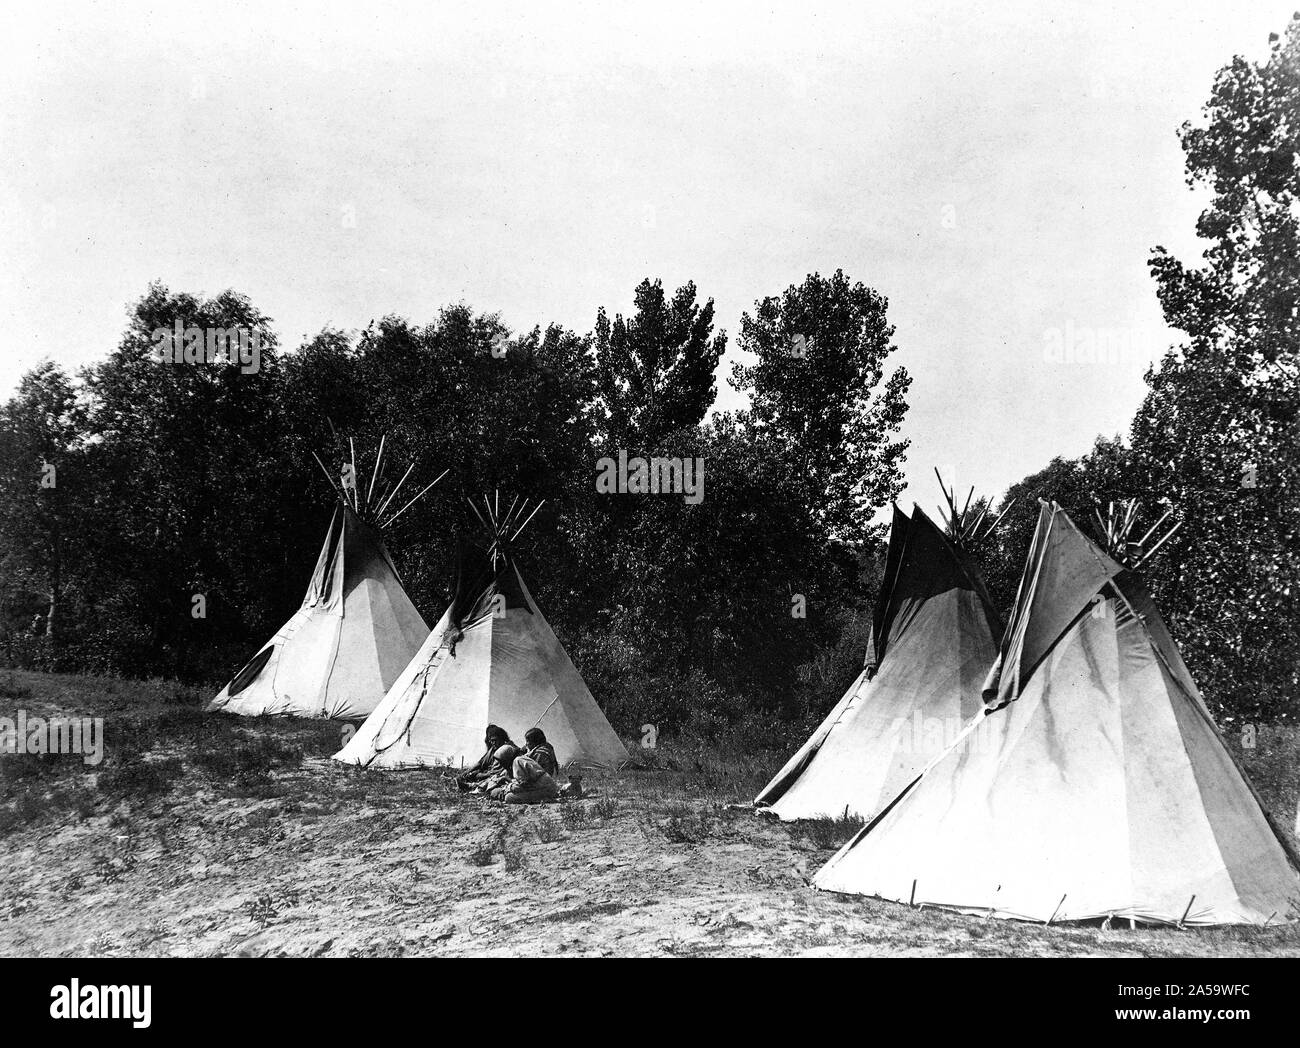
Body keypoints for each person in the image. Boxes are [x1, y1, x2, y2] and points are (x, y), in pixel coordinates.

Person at [489, 728, 560, 805]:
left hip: (545, 789)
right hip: (544, 787)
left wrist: (507, 788)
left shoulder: (518, 762)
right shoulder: (521, 759)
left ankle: (546, 799)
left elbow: (523, 784)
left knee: (509, 797)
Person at [456, 725, 515, 792]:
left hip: (501, 774)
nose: (493, 743)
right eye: (491, 740)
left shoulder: (508, 748)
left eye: (495, 740)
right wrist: (466, 772)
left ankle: (472, 786)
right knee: (475, 774)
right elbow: (481, 762)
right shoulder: (493, 749)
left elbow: (499, 771)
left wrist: (486, 774)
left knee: (494, 778)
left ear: (501, 738)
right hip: (491, 773)